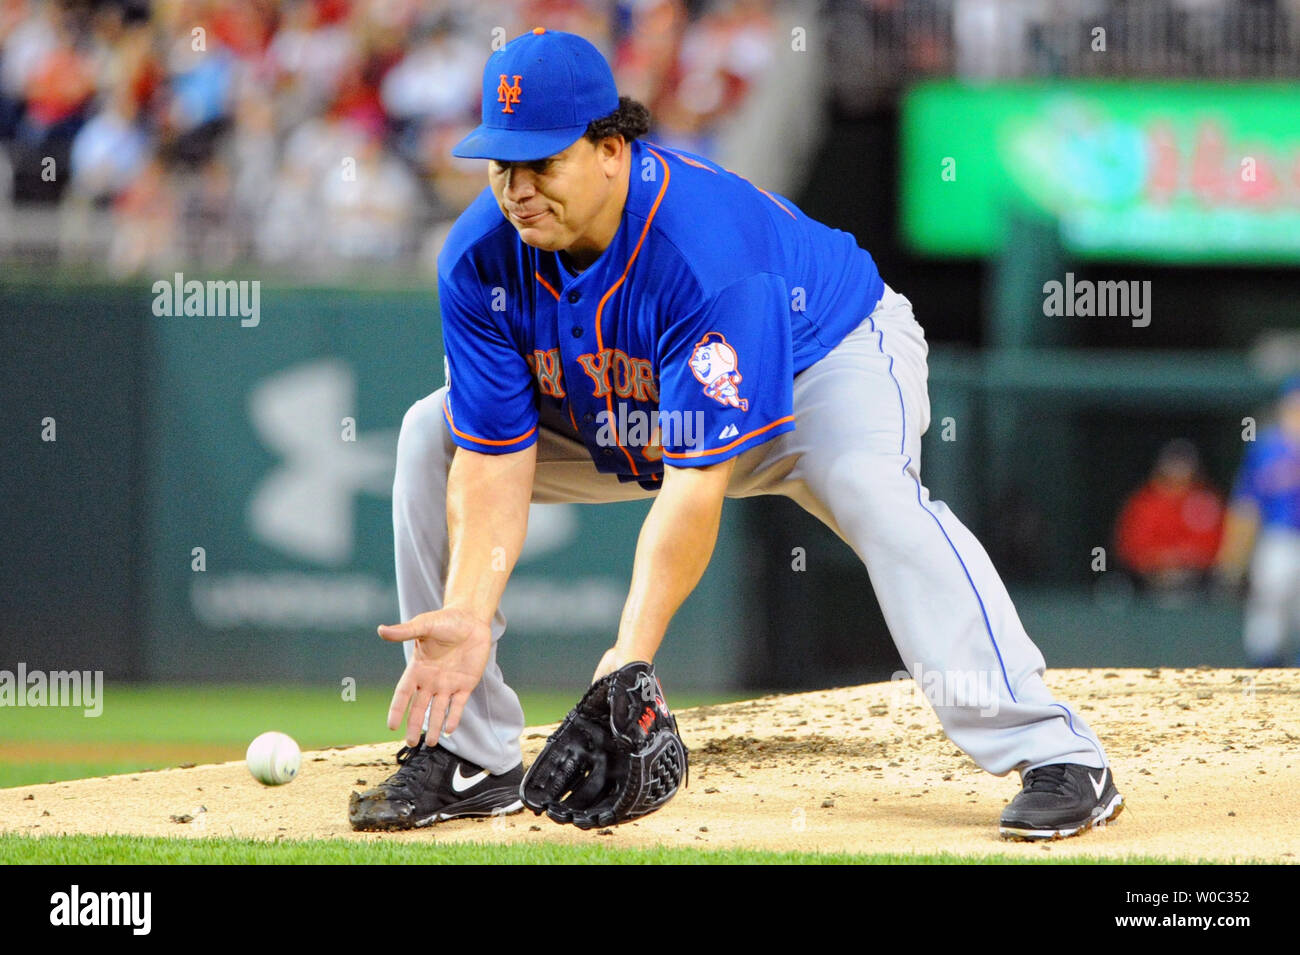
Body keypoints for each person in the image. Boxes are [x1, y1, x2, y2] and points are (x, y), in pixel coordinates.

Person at [346, 28, 1122, 840]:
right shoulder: (479, 260)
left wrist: (629, 659)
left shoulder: (701, 250)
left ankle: (1054, 749)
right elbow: (493, 460)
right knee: (429, 435)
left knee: (868, 485)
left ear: (612, 150)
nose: (517, 188)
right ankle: (469, 755)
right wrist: (469, 609)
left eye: (542, 163)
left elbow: (694, 489)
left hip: (824, 361)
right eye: (501, 165)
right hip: (632, 403)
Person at [1215, 377, 1300, 667]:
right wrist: (1232, 560)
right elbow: (1246, 507)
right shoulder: (1265, 447)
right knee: (1268, 622)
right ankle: (1266, 689)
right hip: (1278, 540)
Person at [1114, 437, 1224, 593]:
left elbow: (1219, 547)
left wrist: (1185, 557)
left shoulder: (1205, 499)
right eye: (1174, 464)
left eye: (1184, 464)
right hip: (1151, 582)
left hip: (1199, 581)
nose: (1179, 470)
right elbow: (1130, 548)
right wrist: (1161, 559)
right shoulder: (1145, 502)